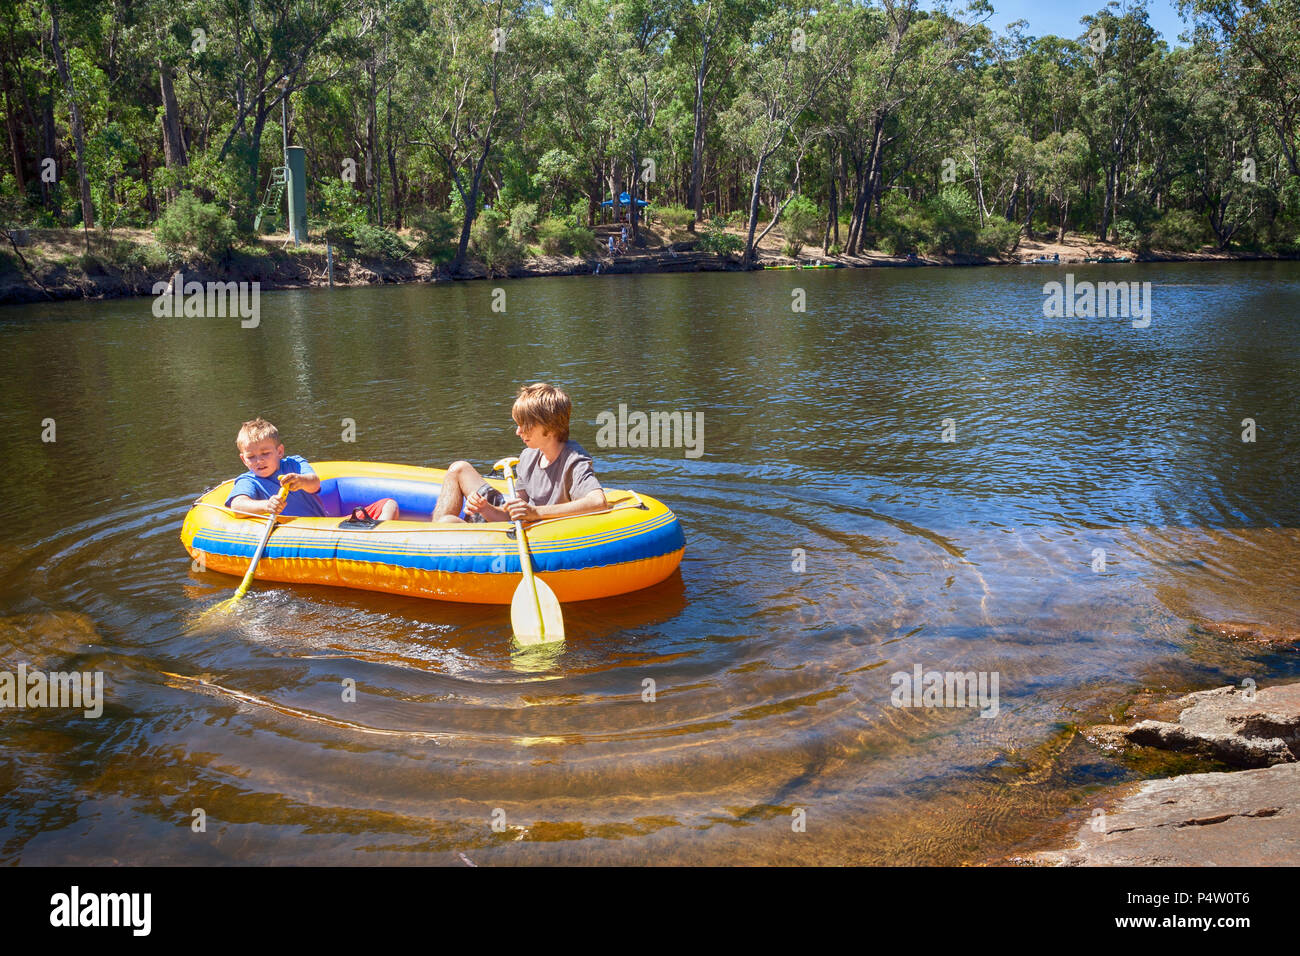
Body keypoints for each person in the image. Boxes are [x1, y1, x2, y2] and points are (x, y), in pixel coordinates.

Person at [431, 383, 608, 524]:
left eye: (526, 425)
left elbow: (598, 502)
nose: (518, 432)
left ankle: (436, 541)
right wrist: (485, 509)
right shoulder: (528, 457)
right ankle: (431, 539)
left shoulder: (574, 460)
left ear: (550, 427)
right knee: (459, 468)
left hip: (541, 533)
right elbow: (510, 517)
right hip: (515, 526)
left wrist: (535, 512)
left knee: (447, 522)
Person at [226, 417, 399, 521]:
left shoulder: (294, 464)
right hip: (297, 533)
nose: (259, 461)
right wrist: (266, 505)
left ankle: (377, 541)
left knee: (389, 505)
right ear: (243, 459)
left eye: (265, 453)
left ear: (279, 451)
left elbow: (315, 484)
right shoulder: (249, 481)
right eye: (251, 457)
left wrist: (300, 481)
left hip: (325, 526)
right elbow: (237, 505)